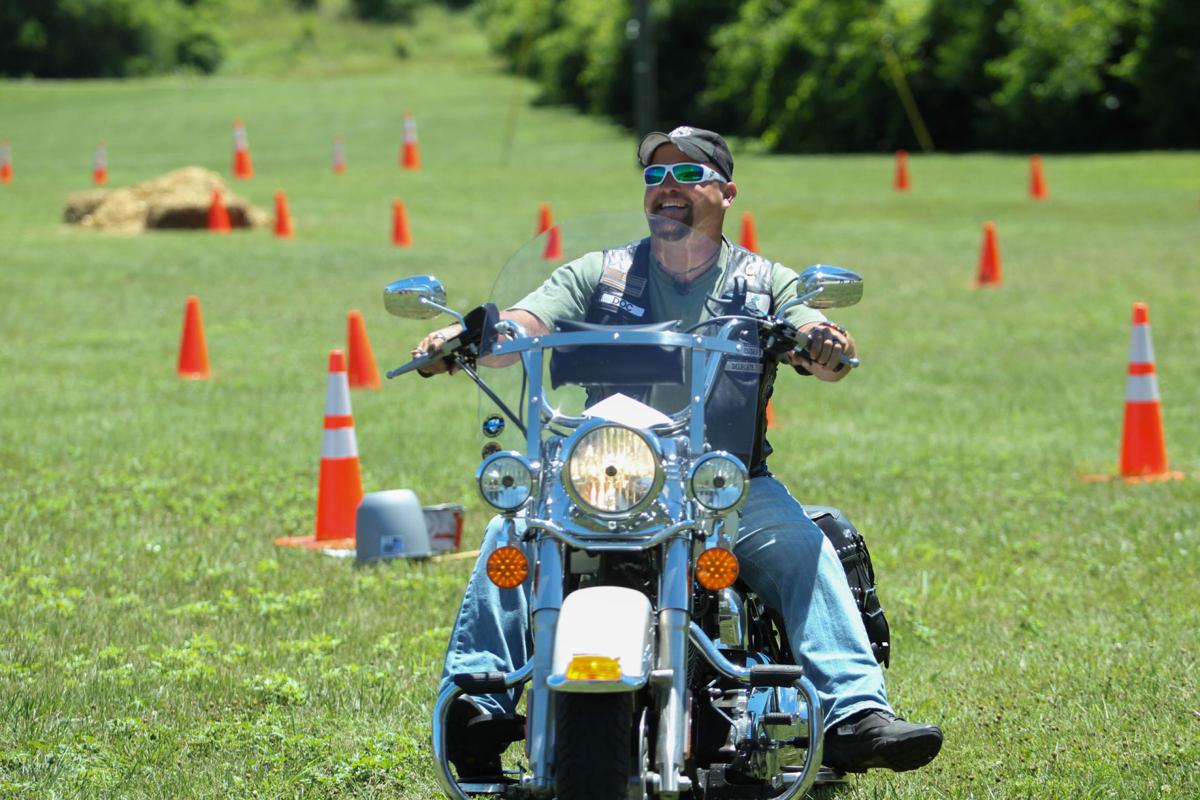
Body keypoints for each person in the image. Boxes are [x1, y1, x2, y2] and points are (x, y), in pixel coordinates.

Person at [414, 126, 943, 779]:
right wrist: (470, 333)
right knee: (511, 533)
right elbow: (523, 324)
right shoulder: (599, 272)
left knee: (805, 550)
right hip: (605, 475)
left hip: (724, 486)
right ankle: (479, 704)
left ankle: (856, 714)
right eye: (654, 177)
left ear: (725, 192)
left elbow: (815, 334)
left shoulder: (760, 280)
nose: (667, 188)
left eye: (687, 176)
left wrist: (822, 339)